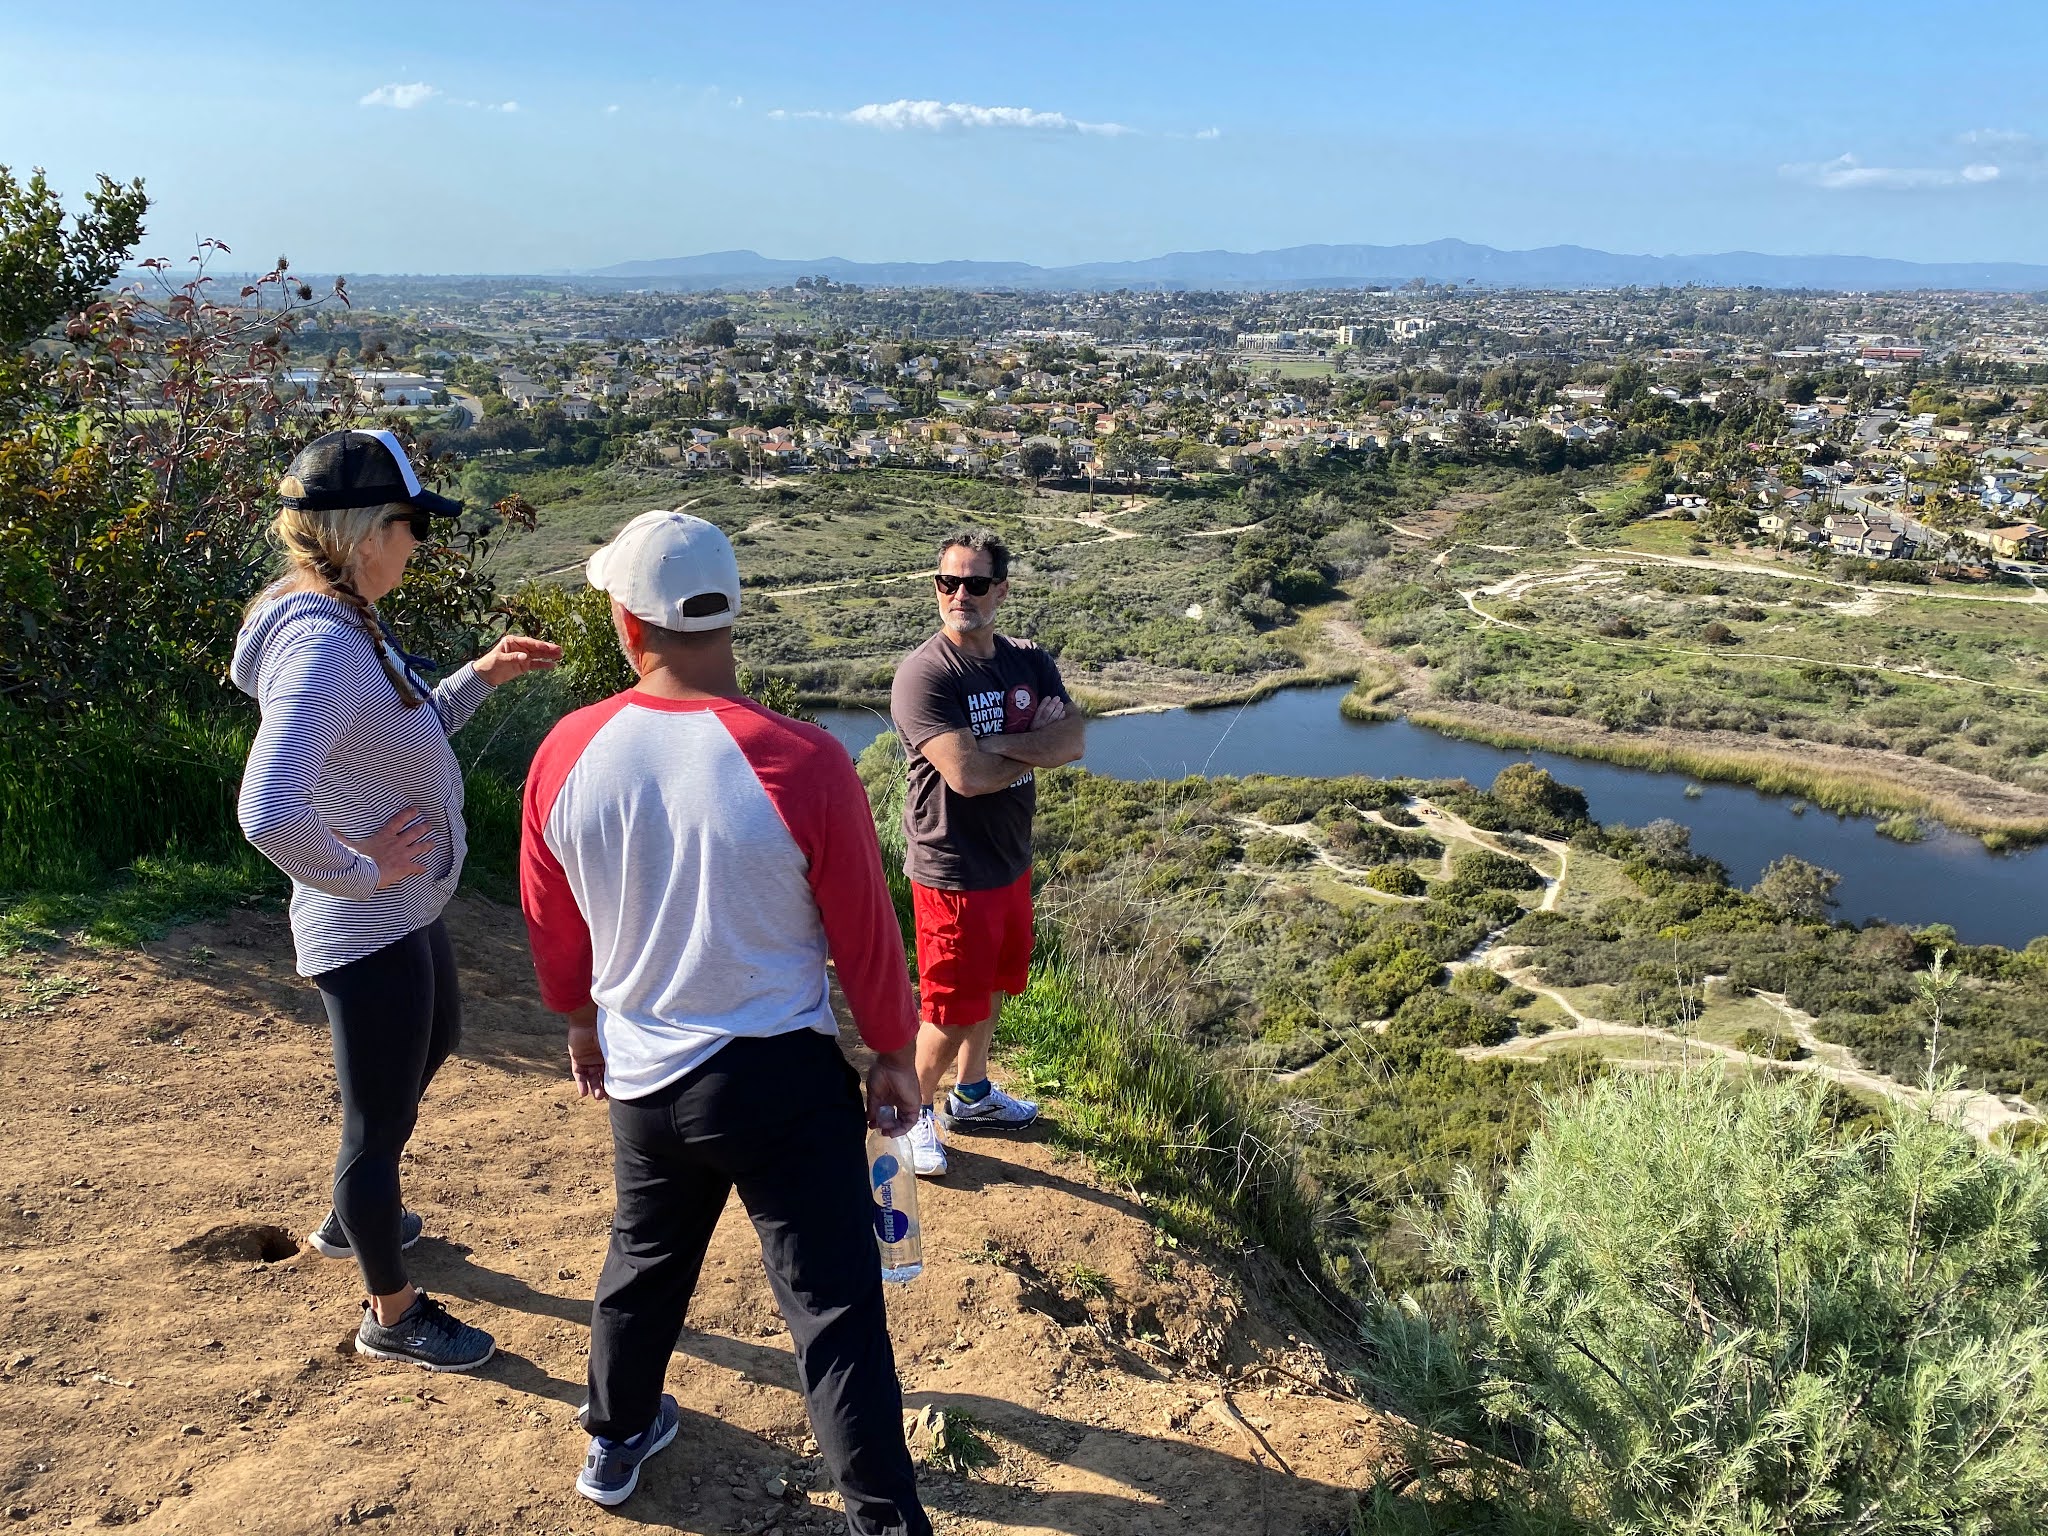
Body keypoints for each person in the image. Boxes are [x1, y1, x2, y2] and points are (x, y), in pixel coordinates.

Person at [520, 509, 931, 1526]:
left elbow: (550, 920)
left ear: (627, 623)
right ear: (731, 616)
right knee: (831, 1310)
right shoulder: (801, 761)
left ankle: (614, 1441)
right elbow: (864, 934)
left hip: (645, 1078)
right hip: (780, 1080)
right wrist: (888, 1052)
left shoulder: (565, 751)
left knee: (643, 1262)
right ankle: (884, 1517)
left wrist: (580, 1026)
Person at [232, 428, 560, 1371]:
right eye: (413, 525)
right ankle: (391, 1308)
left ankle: (355, 1201)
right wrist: (362, 867)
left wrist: (479, 678)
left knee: (441, 1040)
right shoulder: (323, 649)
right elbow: (266, 808)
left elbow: (405, 717)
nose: (420, 543)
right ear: (368, 530)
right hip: (366, 921)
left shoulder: (345, 614)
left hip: (403, 909)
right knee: (377, 1130)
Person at [888, 530, 1084, 1178]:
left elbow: (1074, 739)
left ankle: (970, 1095)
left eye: (974, 583)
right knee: (948, 1008)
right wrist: (1030, 737)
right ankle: (906, 1115)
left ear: (1001, 589)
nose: (959, 596)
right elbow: (964, 776)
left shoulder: (1027, 659)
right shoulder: (926, 675)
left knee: (997, 982)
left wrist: (998, 743)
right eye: (948, 582)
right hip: (953, 869)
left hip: (1009, 860)